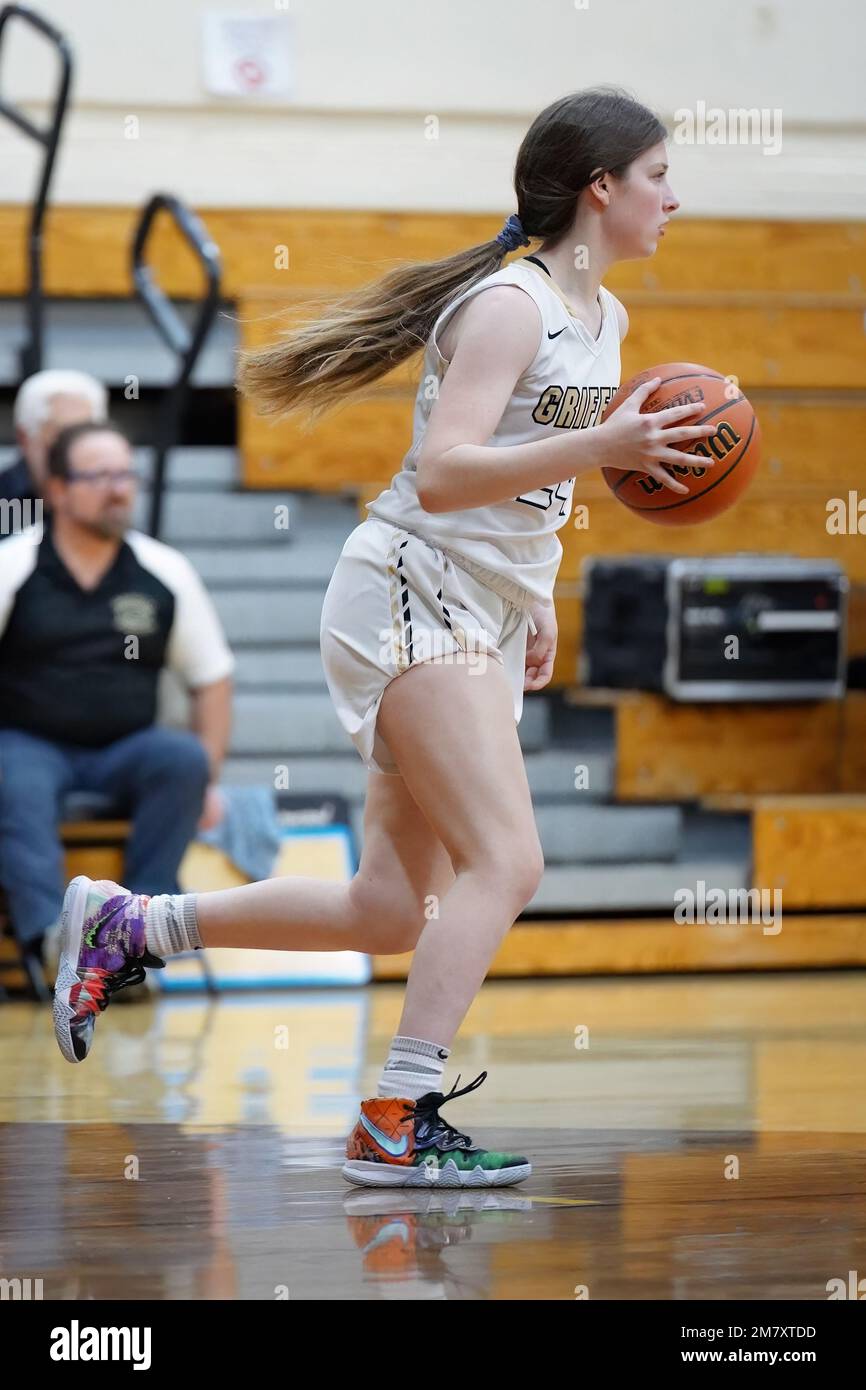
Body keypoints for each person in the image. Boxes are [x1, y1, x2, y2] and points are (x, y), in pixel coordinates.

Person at [52, 87, 716, 1189]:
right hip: (413, 585)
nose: (672, 197)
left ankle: (134, 926)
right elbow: (448, 472)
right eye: (656, 176)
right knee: (508, 860)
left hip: (479, 600)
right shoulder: (510, 306)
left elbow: (524, 487)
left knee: (388, 907)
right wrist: (604, 442)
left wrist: (535, 594)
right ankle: (394, 1114)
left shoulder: (605, 320)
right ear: (600, 188)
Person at [0, 420, 233, 977]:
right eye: (99, 475)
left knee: (182, 760)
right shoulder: (14, 563)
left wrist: (211, 778)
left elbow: (213, 678)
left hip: (126, 746)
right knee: (12, 775)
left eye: (126, 474)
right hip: (29, 744)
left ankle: (134, 935)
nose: (119, 488)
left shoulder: (163, 571)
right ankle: (51, 940)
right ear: (57, 490)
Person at [0, 368, 108, 516]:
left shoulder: (109, 498)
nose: (74, 455)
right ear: (24, 439)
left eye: (84, 441)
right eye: (61, 440)